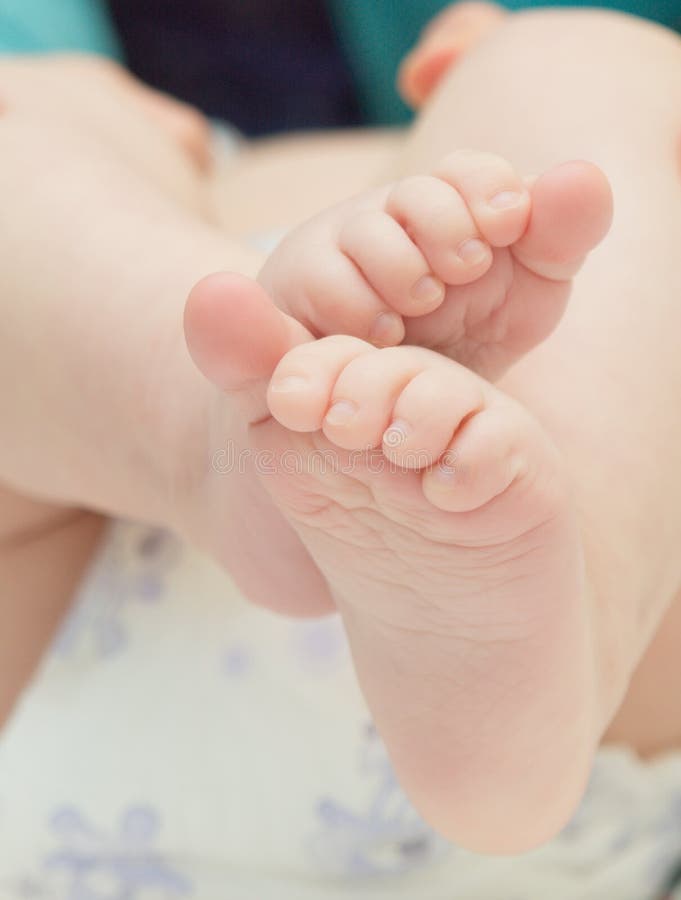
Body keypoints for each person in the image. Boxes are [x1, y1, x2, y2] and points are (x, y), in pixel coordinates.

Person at [1, 4, 681, 897]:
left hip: (58, 692)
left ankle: (196, 427)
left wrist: (52, 111)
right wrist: (536, 79)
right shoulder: (485, 189)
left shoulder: (119, 155)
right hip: (574, 765)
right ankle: (573, 619)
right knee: (593, 61)